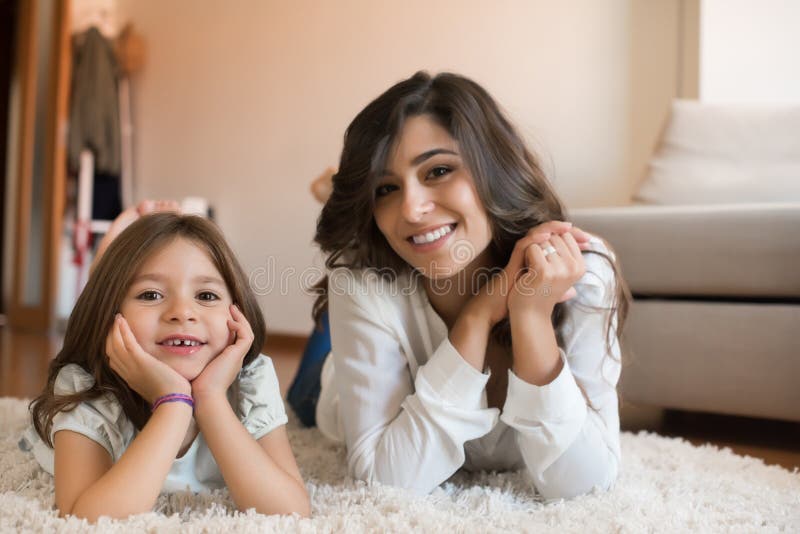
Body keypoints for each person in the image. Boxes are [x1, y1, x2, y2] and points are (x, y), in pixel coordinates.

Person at [298, 71, 631, 499]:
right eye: (385, 188)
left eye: (438, 170)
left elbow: (589, 487)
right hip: (332, 384)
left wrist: (530, 317)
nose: (413, 209)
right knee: (310, 385)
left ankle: (343, 191)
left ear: (493, 169)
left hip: (384, 302)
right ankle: (342, 200)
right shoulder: (359, 285)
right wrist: (476, 318)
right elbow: (384, 482)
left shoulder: (580, 272)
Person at [21, 213, 310, 521]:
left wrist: (210, 399)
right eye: (151, 294)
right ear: (109, 313)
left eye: (206, 295)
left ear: (239, 312)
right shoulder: (86, 385)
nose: (182, 312)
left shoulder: (251, 378)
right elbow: (86, 519)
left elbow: (291, 511)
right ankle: (104, 262)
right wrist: (173, 404)